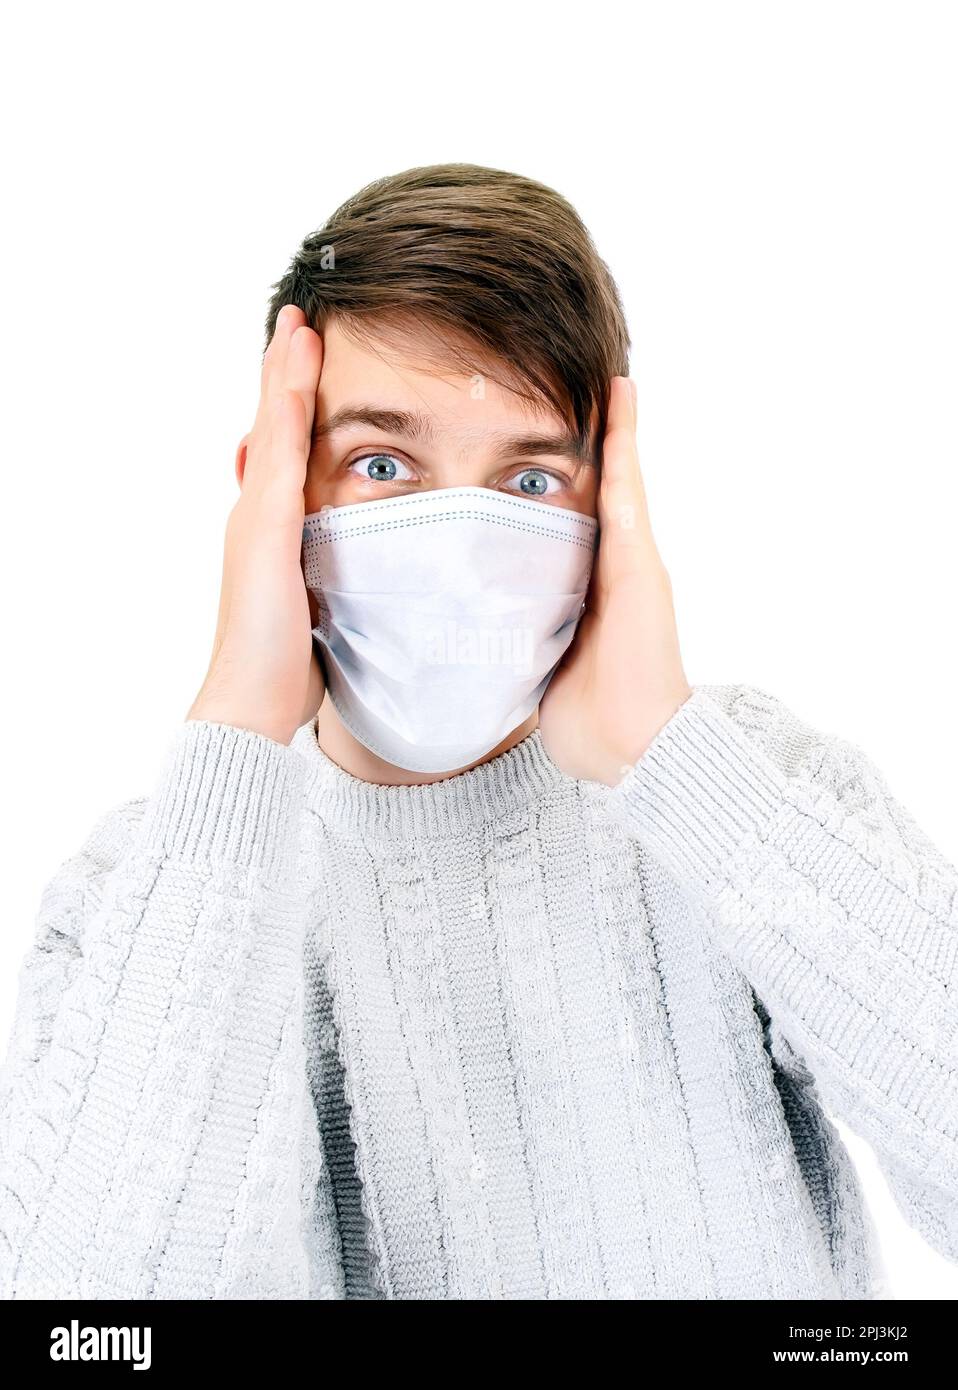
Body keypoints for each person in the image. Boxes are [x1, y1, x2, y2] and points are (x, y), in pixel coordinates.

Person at [1, 163, 955, 1301]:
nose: (455, 540)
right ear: (272, 495)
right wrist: (238, 747)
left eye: (529, 478)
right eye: (382, 464)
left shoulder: (748, 794)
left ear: (610, 501)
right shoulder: (147, 886)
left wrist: (678, 763)